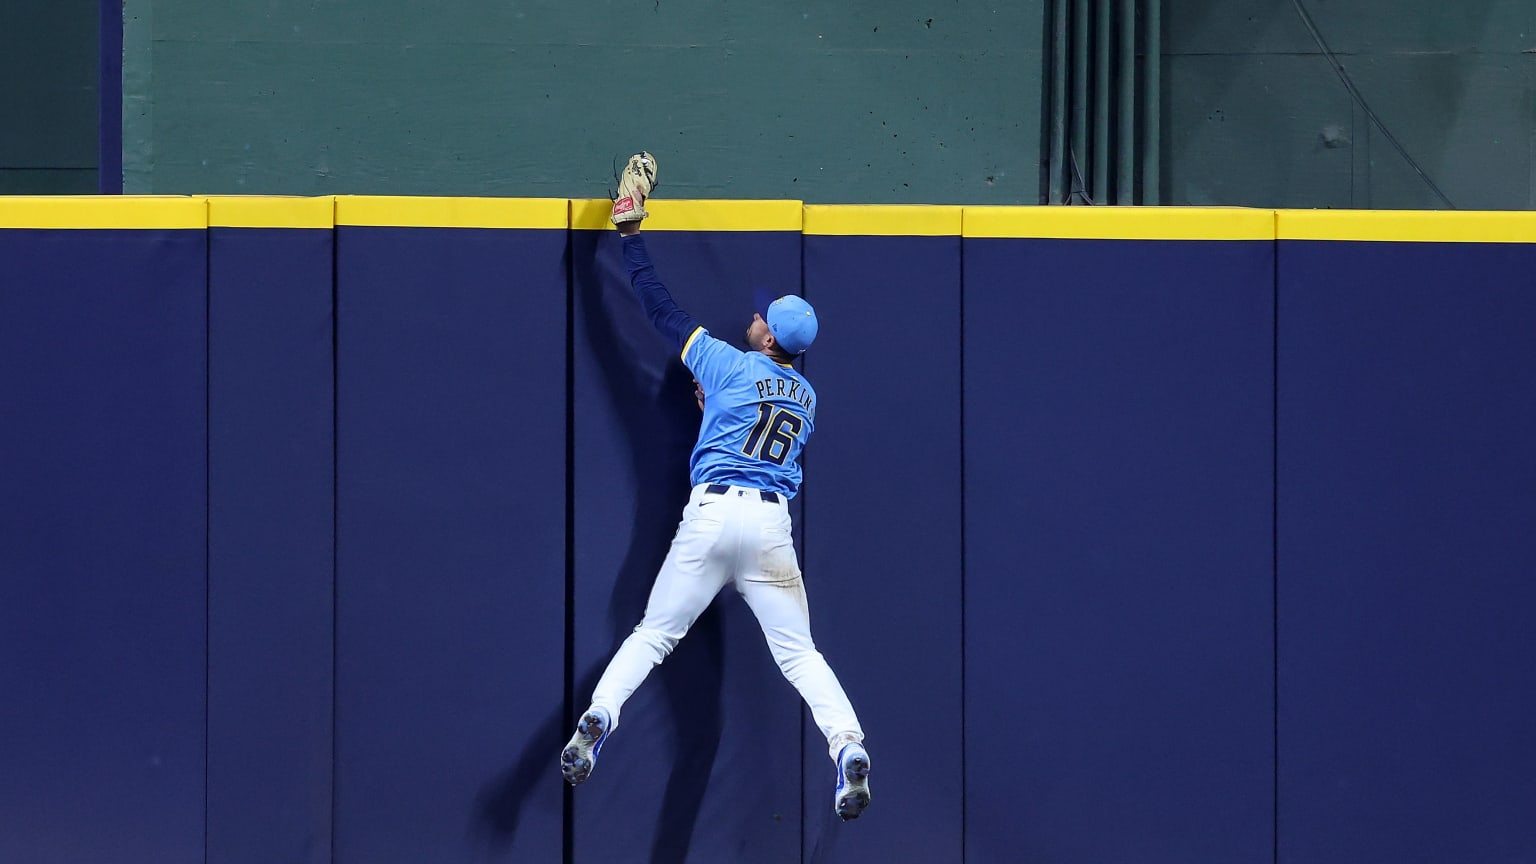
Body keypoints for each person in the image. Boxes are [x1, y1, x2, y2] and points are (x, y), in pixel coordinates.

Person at [561, 154, 872, 821]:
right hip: (769, 533)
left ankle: (598, 719)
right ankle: (846, 747)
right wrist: (716, 414)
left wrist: (630, 235)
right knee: (800, 655)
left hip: (711, 517)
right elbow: (761, 423)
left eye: (761, 318)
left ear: (766, 336)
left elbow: (659, 309)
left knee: (652, 634)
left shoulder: (728, 362)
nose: (753, 318)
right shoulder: (807, 398)